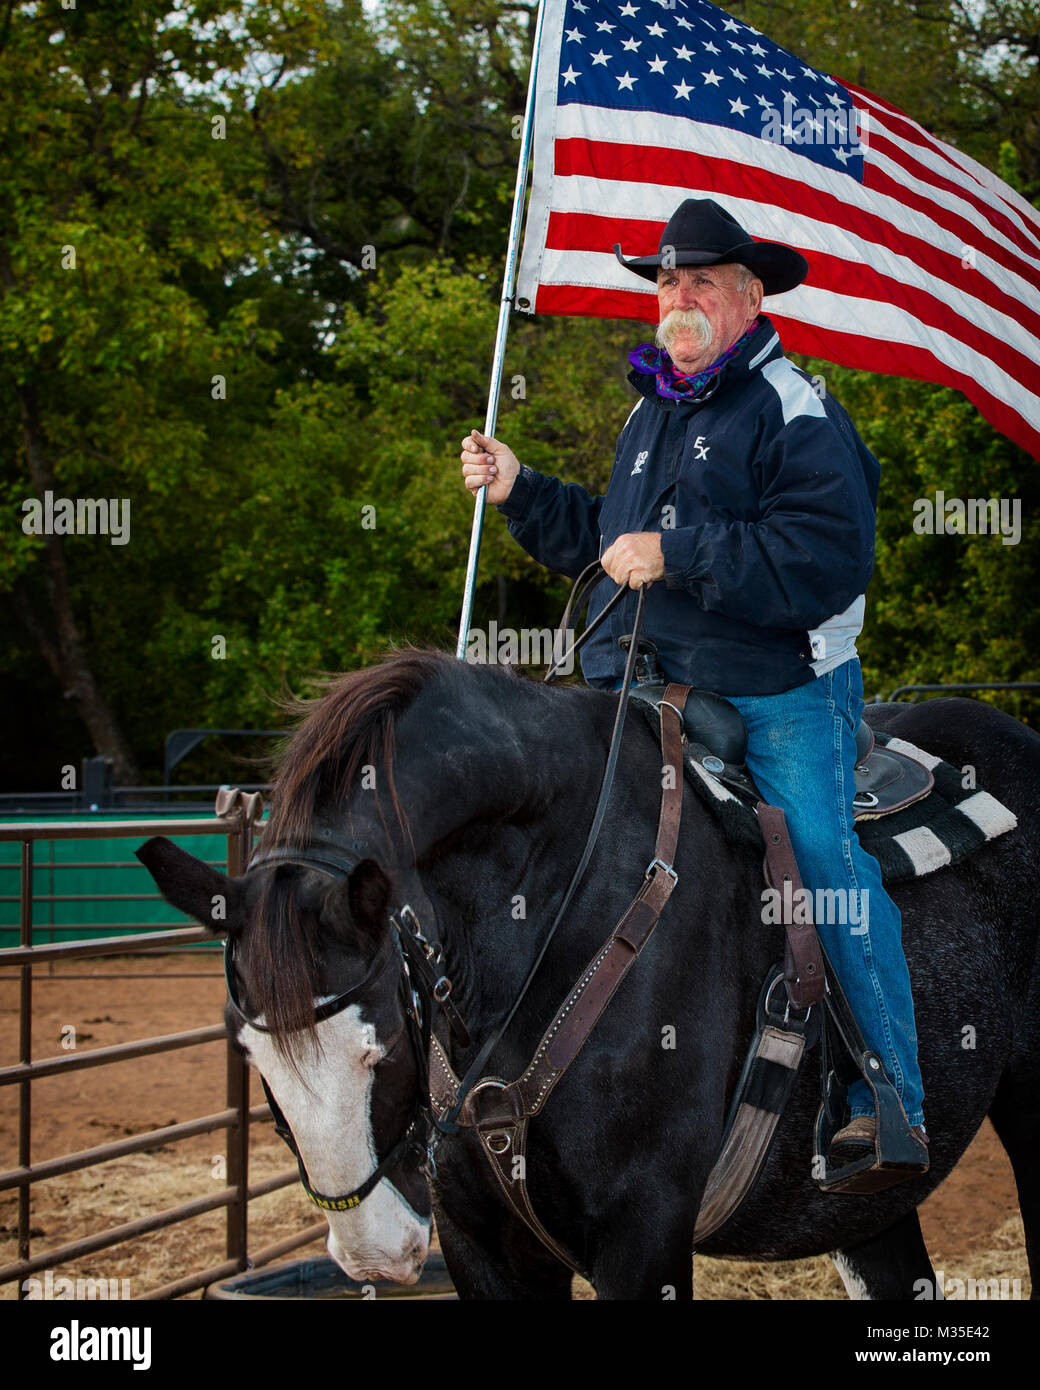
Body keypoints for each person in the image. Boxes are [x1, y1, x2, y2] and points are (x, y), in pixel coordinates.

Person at [459, 197, 927, 1168]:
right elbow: (609, 546)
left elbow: (822, 558)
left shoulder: (793, 408)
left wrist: (675, 553)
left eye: (701, 280)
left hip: (775, 688)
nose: (678, 296)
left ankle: (887, 1094)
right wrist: (520, 490)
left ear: (749, 297)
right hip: (638, 685)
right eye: (667, 280)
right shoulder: (650, 411)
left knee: (821, 865)